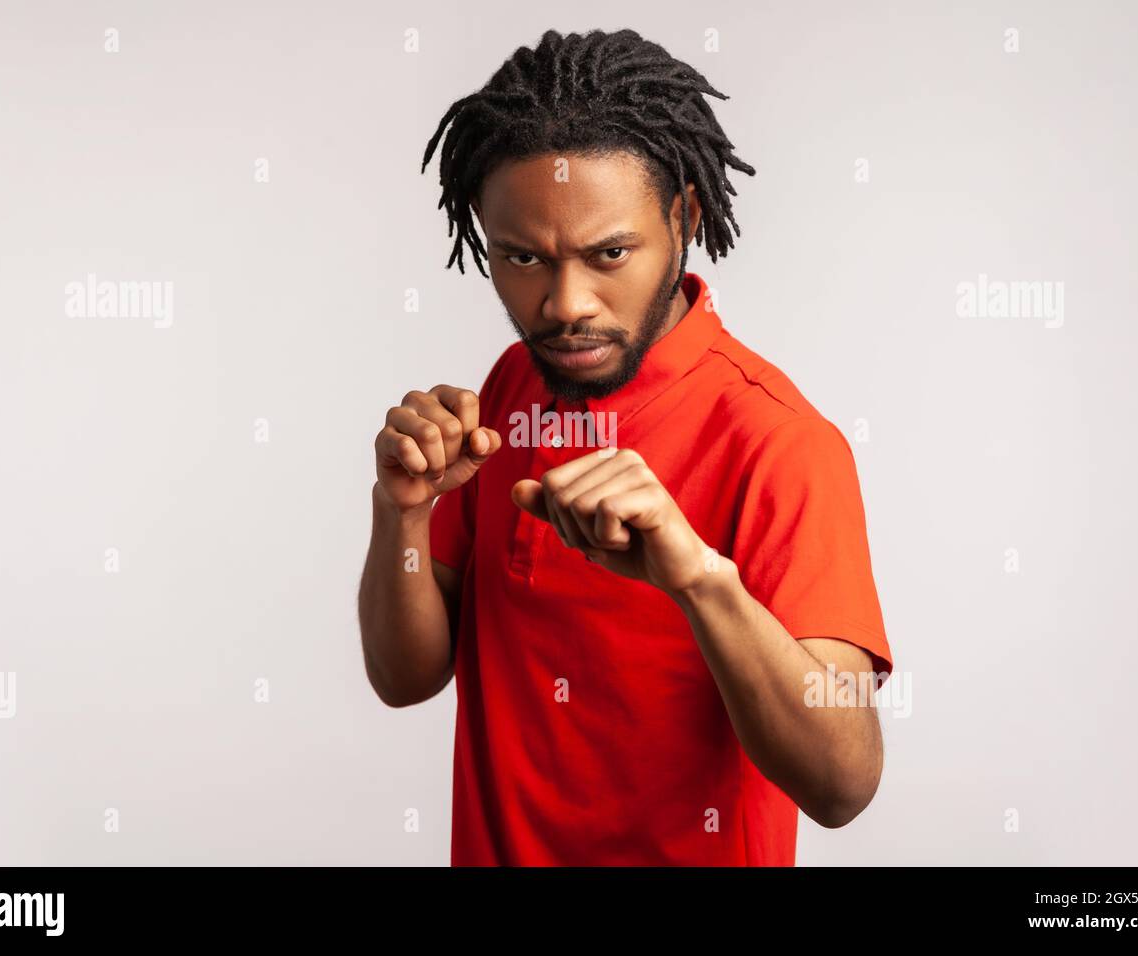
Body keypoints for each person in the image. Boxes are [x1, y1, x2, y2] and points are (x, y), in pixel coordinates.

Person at [359, 28, 894, 865]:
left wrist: (696, 581)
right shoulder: (510, 387)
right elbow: (406, 679)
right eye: (523, 257)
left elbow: (844, 783)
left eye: (610, 254)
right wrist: (403, 515)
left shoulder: (780, 444)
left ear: (682, 216)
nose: (564, 304)